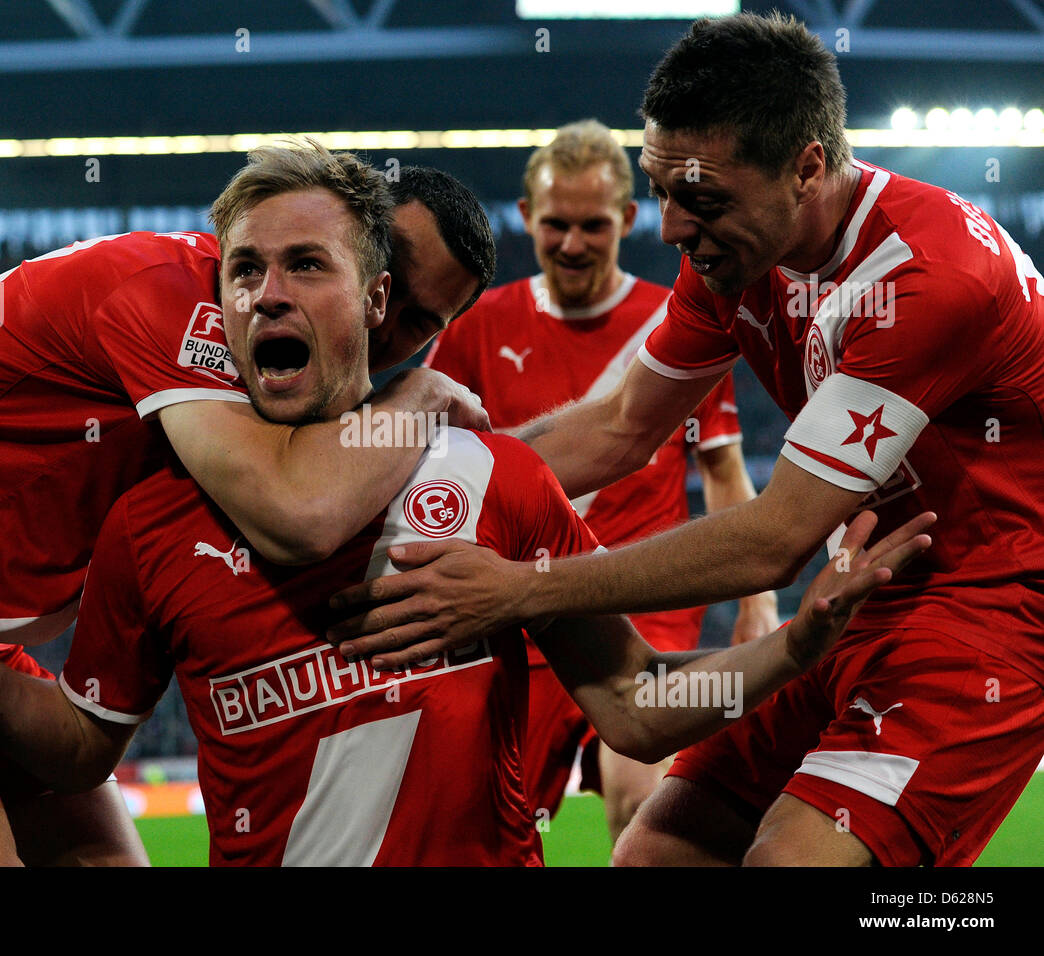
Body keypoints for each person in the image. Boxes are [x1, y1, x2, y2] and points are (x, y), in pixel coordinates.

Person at [0, 142, 932, 866]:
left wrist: (798, 641)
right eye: (250, 270)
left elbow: (637, 703)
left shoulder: (499, 478)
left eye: (311, 269)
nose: (269, 295)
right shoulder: (160, 511)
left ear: (382, 298)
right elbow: (82, 743)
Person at [327, 11, 1040, 868]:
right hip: (871, 590)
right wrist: (377, 490)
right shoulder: (739, 254)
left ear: (807, 166)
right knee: (654, 851)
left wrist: (522, 587)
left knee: (789, 862)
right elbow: (621, 428)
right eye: (661, 190)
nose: (667, 228)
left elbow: (774, 540)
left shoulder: (927, 280)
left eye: (700, 199)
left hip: (997, 608)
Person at [0, 142, 493, 865]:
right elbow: (300, 515)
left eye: (422, 327)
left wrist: (612, 429)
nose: (383, 330)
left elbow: (481, 474)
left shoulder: (277, 373)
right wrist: (420, 394)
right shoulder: (187, 302)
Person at [424, 118, 778, 845]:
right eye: (556, 225)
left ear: (626, 218)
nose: (573, 243)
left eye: (593, 225)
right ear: (526, 219)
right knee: (493, 820)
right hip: (520, 612)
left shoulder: (677, 321)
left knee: (638, 794)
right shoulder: (477, 327)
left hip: (641, 600)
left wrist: (757, 607)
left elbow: (722, 469)